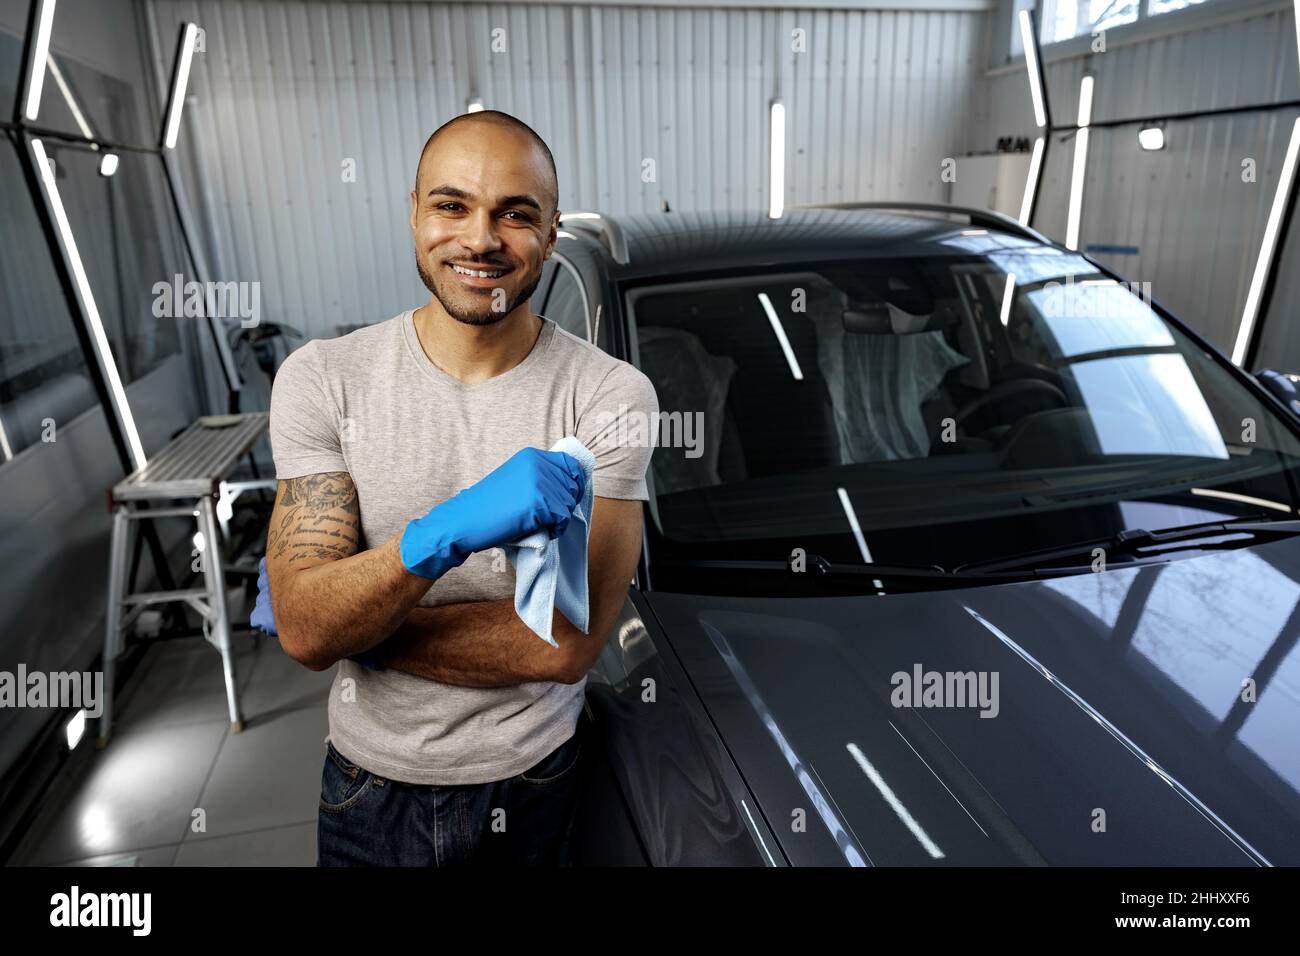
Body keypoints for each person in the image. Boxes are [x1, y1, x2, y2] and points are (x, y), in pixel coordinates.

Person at [259, 109, 657, 866]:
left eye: (515, 213)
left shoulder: (610, 398)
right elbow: (308, 627)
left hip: (539, 781)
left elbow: (564, 647)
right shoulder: (323, 379)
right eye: (452, 205)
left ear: (550, 231)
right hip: (369, 790)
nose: (480, 239)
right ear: (414, 214)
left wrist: (357, 622)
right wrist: (434, 539)